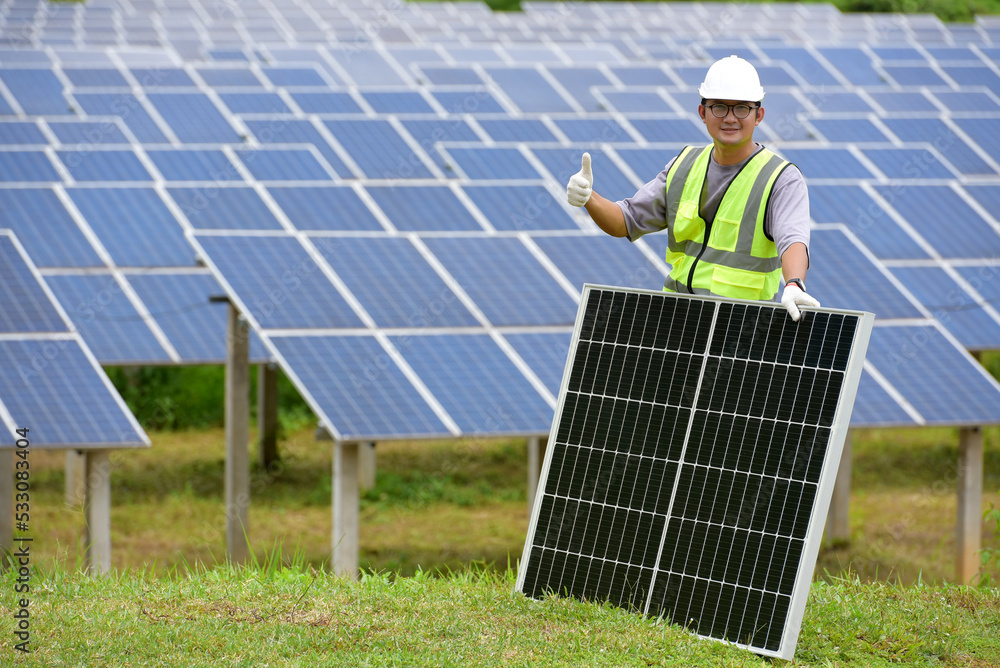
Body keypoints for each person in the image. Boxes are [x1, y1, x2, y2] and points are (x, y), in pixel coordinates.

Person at [566, 55, 819, 321]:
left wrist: (794, 282)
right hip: (676, 324)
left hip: (741, 332)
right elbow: (625, 221)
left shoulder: (780, 179)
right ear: (703, 113)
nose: (730, 118)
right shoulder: (683, 167)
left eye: (742, 108)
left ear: (759, 115)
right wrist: (589, 198)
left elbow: (793, 240)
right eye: (719, 107)